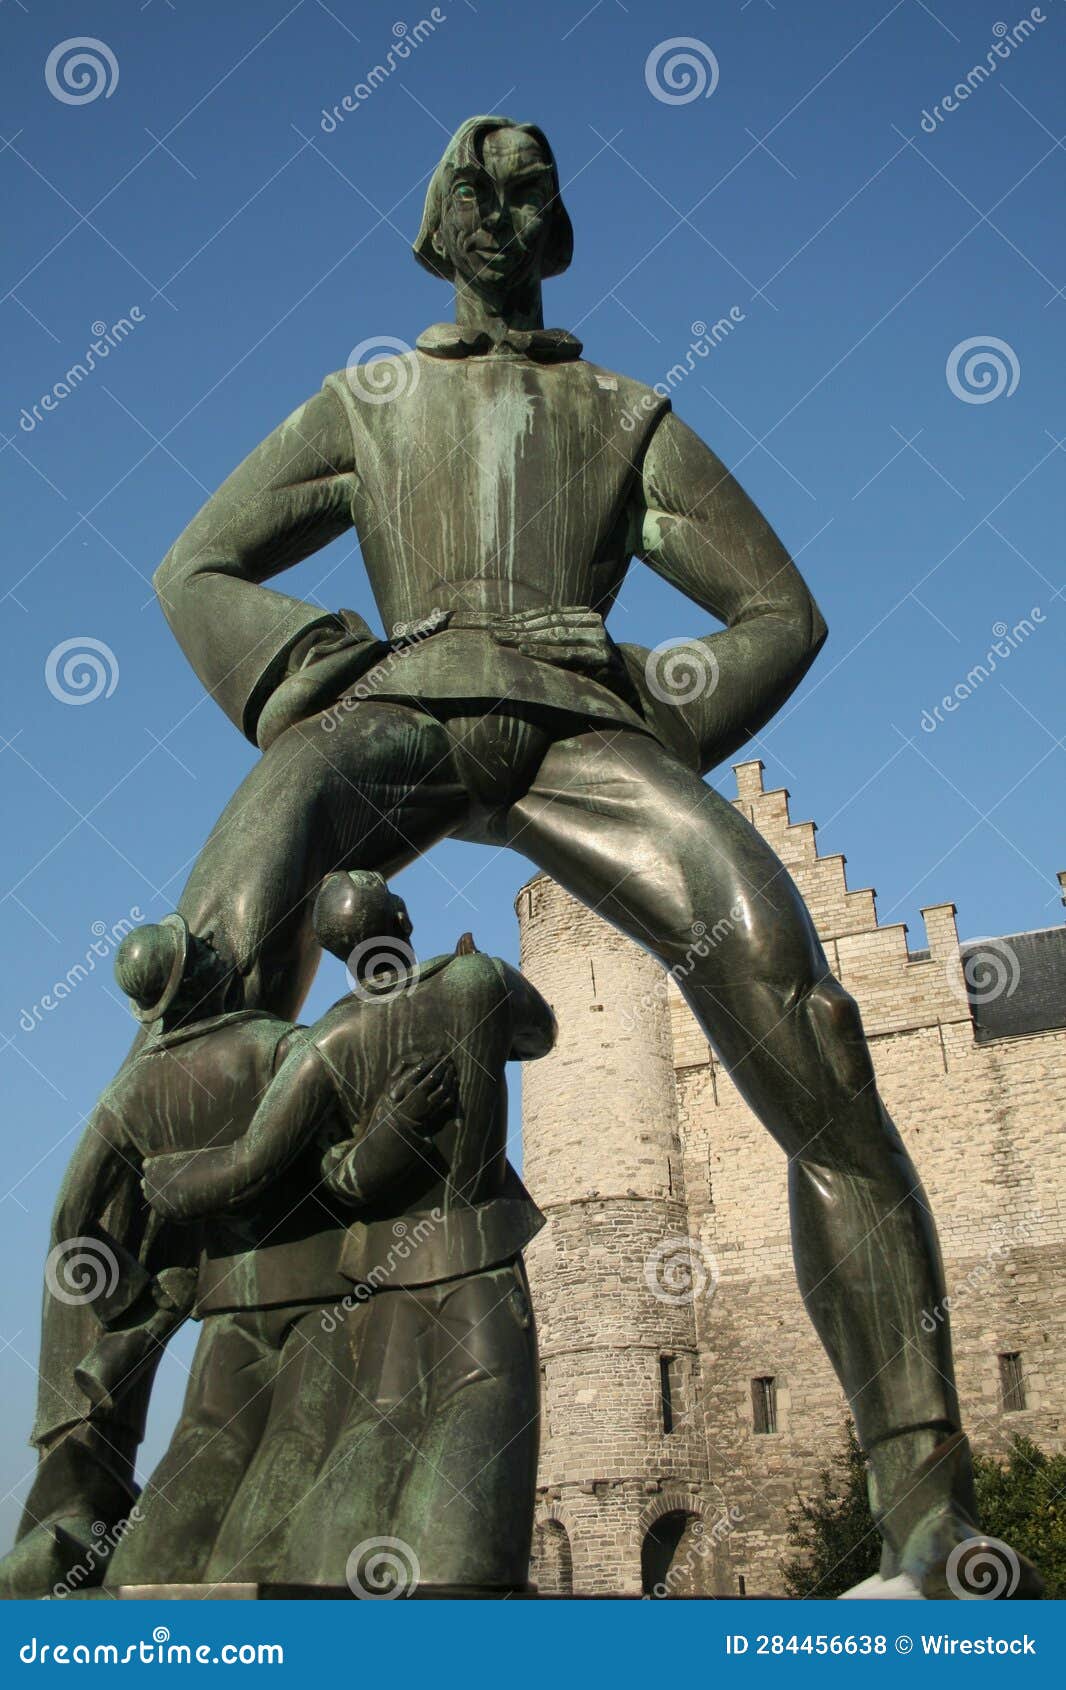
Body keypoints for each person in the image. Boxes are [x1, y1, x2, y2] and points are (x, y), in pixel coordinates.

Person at [12, 113, 1038, 1598]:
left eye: (525, 190)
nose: (497, 210)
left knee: (801, 1008)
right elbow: (198, 566)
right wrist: (324, 668)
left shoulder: (623, 416)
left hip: (578, 731)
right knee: (204, 995)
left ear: (555, 224)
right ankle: (74, 1494)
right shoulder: (372, 399)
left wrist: (642, 692)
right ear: (435, 223)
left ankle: (925, 1505)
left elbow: (779, 611)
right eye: (471, 189)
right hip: (394, 723)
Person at [108, 870, 554, 1595]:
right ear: (402, 919)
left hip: (383, 1278)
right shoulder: (479, 981)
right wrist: (482, 994)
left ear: (337, 952)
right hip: (477, 1259)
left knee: (368, 1435)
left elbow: (283, 1169)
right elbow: (542, 1035)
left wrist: (166, 1182)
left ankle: (312, 1605)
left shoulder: (328, 1040)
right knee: (481, 1424)